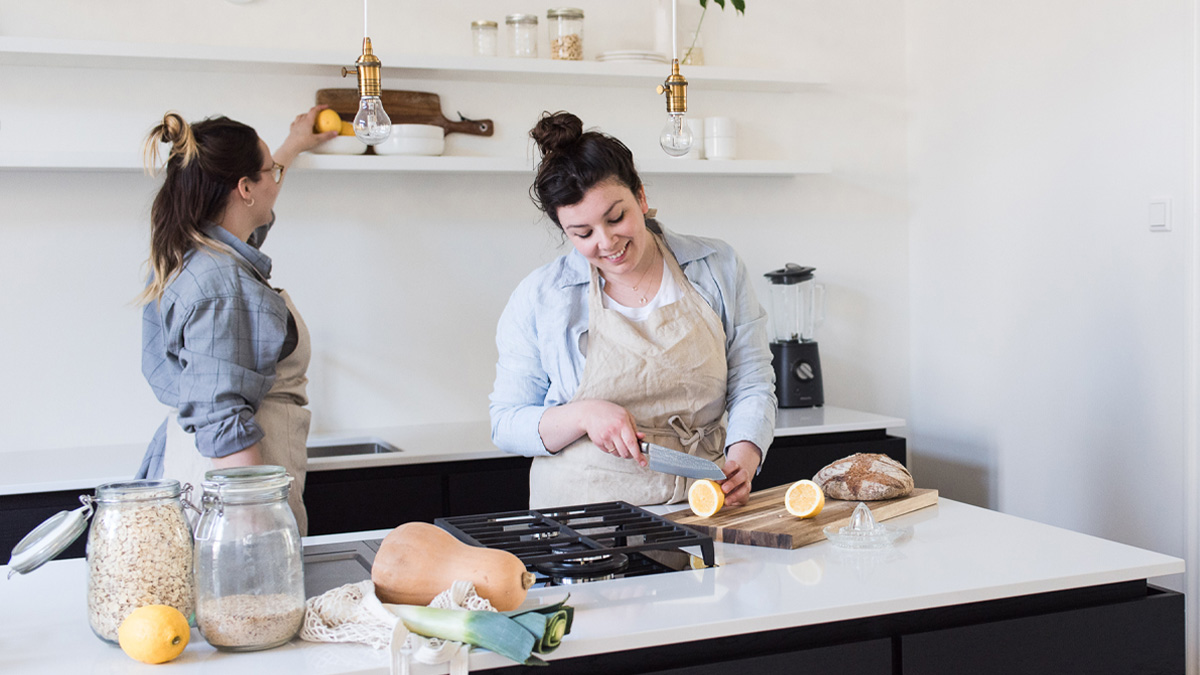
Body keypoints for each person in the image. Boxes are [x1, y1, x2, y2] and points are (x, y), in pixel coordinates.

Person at [490, 111, 777, 509]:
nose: (606, 242)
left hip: (703, 504)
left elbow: (753, 381)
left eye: (616, 217)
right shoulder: (541, 297)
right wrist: (583, 415)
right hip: (585, 516)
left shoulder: (717, 266)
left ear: (641, 197)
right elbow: (505, 422)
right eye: (583, 233)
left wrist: (746, 453)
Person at [137, 106, 336, 534]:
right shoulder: (223, 285)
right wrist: (257, 536)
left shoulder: (198, 252)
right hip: (233, 500)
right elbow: (222, 418)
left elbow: (251, 221)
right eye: (270, 172)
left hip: (203, 476)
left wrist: (292, 145)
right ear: (244, 188)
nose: (276, 179)